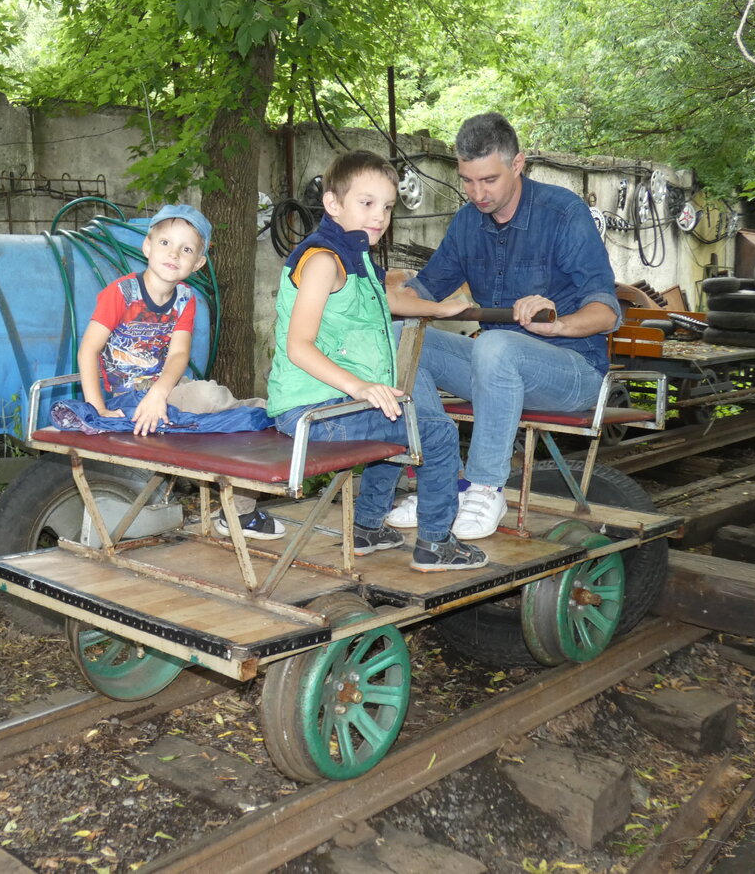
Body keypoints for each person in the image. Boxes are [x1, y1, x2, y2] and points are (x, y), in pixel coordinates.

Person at [387, 112, 621, 539]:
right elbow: (419, 294)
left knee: (496, 345)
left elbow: (606, 312)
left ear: (518, 164)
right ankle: (445, 484)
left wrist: (561, 325)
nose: (478, 193)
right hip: (497, 372)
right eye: (468, 180)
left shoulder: (563, 214)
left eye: (489, 180)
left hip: (574, 372)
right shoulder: (466, 224)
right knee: (402, 338)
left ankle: (485, 487)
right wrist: (377, 289)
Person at [266, 150, 486, 571]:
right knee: (436, 433)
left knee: (392, 415)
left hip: (333, 403)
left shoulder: (353, 253)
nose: (380, 216)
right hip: (315, 409)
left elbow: (379, 300)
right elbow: (299, 346)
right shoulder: (323, 261)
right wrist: (361, 387)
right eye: (366, 203)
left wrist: (437, 309)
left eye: (386, 206)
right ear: (333, 204)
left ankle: (368, 527)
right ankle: (437, 543)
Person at [76, 203, 285, 540]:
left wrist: (159, 393)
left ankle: (241, 507)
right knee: (210, 398)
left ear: (198, 263)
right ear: (147, 246)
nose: (173, 253)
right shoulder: (121, 294)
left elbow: (179, 355)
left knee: (227, 416)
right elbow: (88, 349)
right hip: (126, 395)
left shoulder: (186, 299)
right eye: (165, 243)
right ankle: (263, 410)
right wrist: (97, 409)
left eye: (186, 249)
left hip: (165, 388)